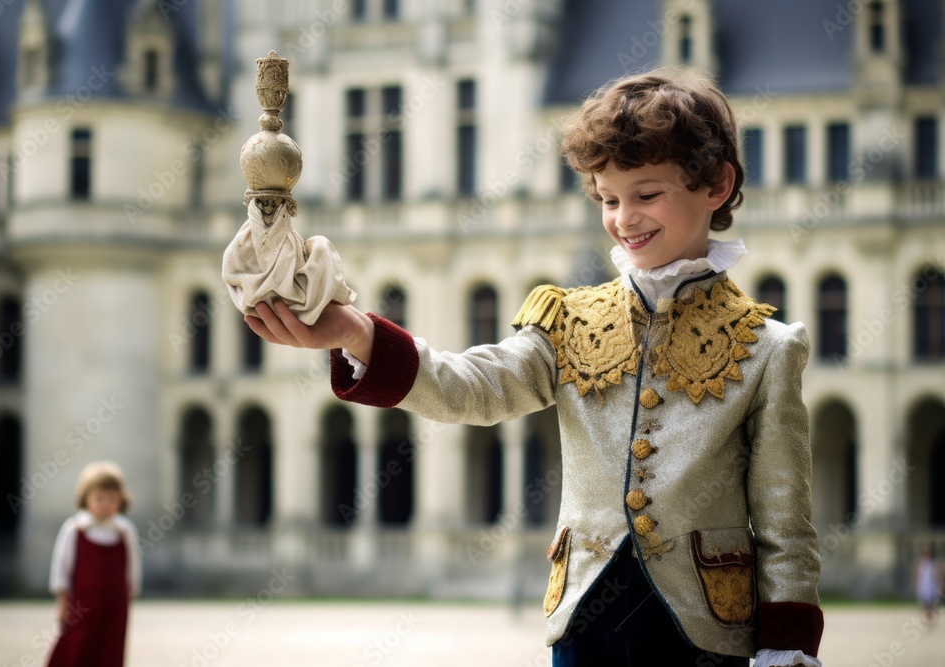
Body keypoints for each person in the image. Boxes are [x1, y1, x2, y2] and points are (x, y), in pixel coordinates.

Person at [245, 68, 824, 666]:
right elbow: (473, 387)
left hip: (703, 636)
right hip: (584, 624)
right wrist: (358, 333)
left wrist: (787, 648)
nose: (625, 218)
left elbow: (786, 529)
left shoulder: (767, 349)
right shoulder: (569, 320)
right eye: (608, 198)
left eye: (647, 194)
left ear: (716, 185)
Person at [45, 461, 142, 667]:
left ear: (121, 500)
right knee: (78, 648)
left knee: (110, 650)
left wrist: (130, 594)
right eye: (100, 498)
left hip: (115, 606)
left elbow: (133, 568)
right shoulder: (75, 529)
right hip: (82, 605)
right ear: (86, 498)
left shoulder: (124, 531)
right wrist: (63, 601)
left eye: (111, 499)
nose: (106, 504)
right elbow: (62, 567)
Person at [914, 545, 941, 623]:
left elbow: (936, 575)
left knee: (931, 604)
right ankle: (925, 618)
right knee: (924, 604)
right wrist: (916, 585)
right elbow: (917, 575)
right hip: (923, 586)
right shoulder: (920, 564)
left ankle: (931, 618)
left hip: (931, 586)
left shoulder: (932, 564)